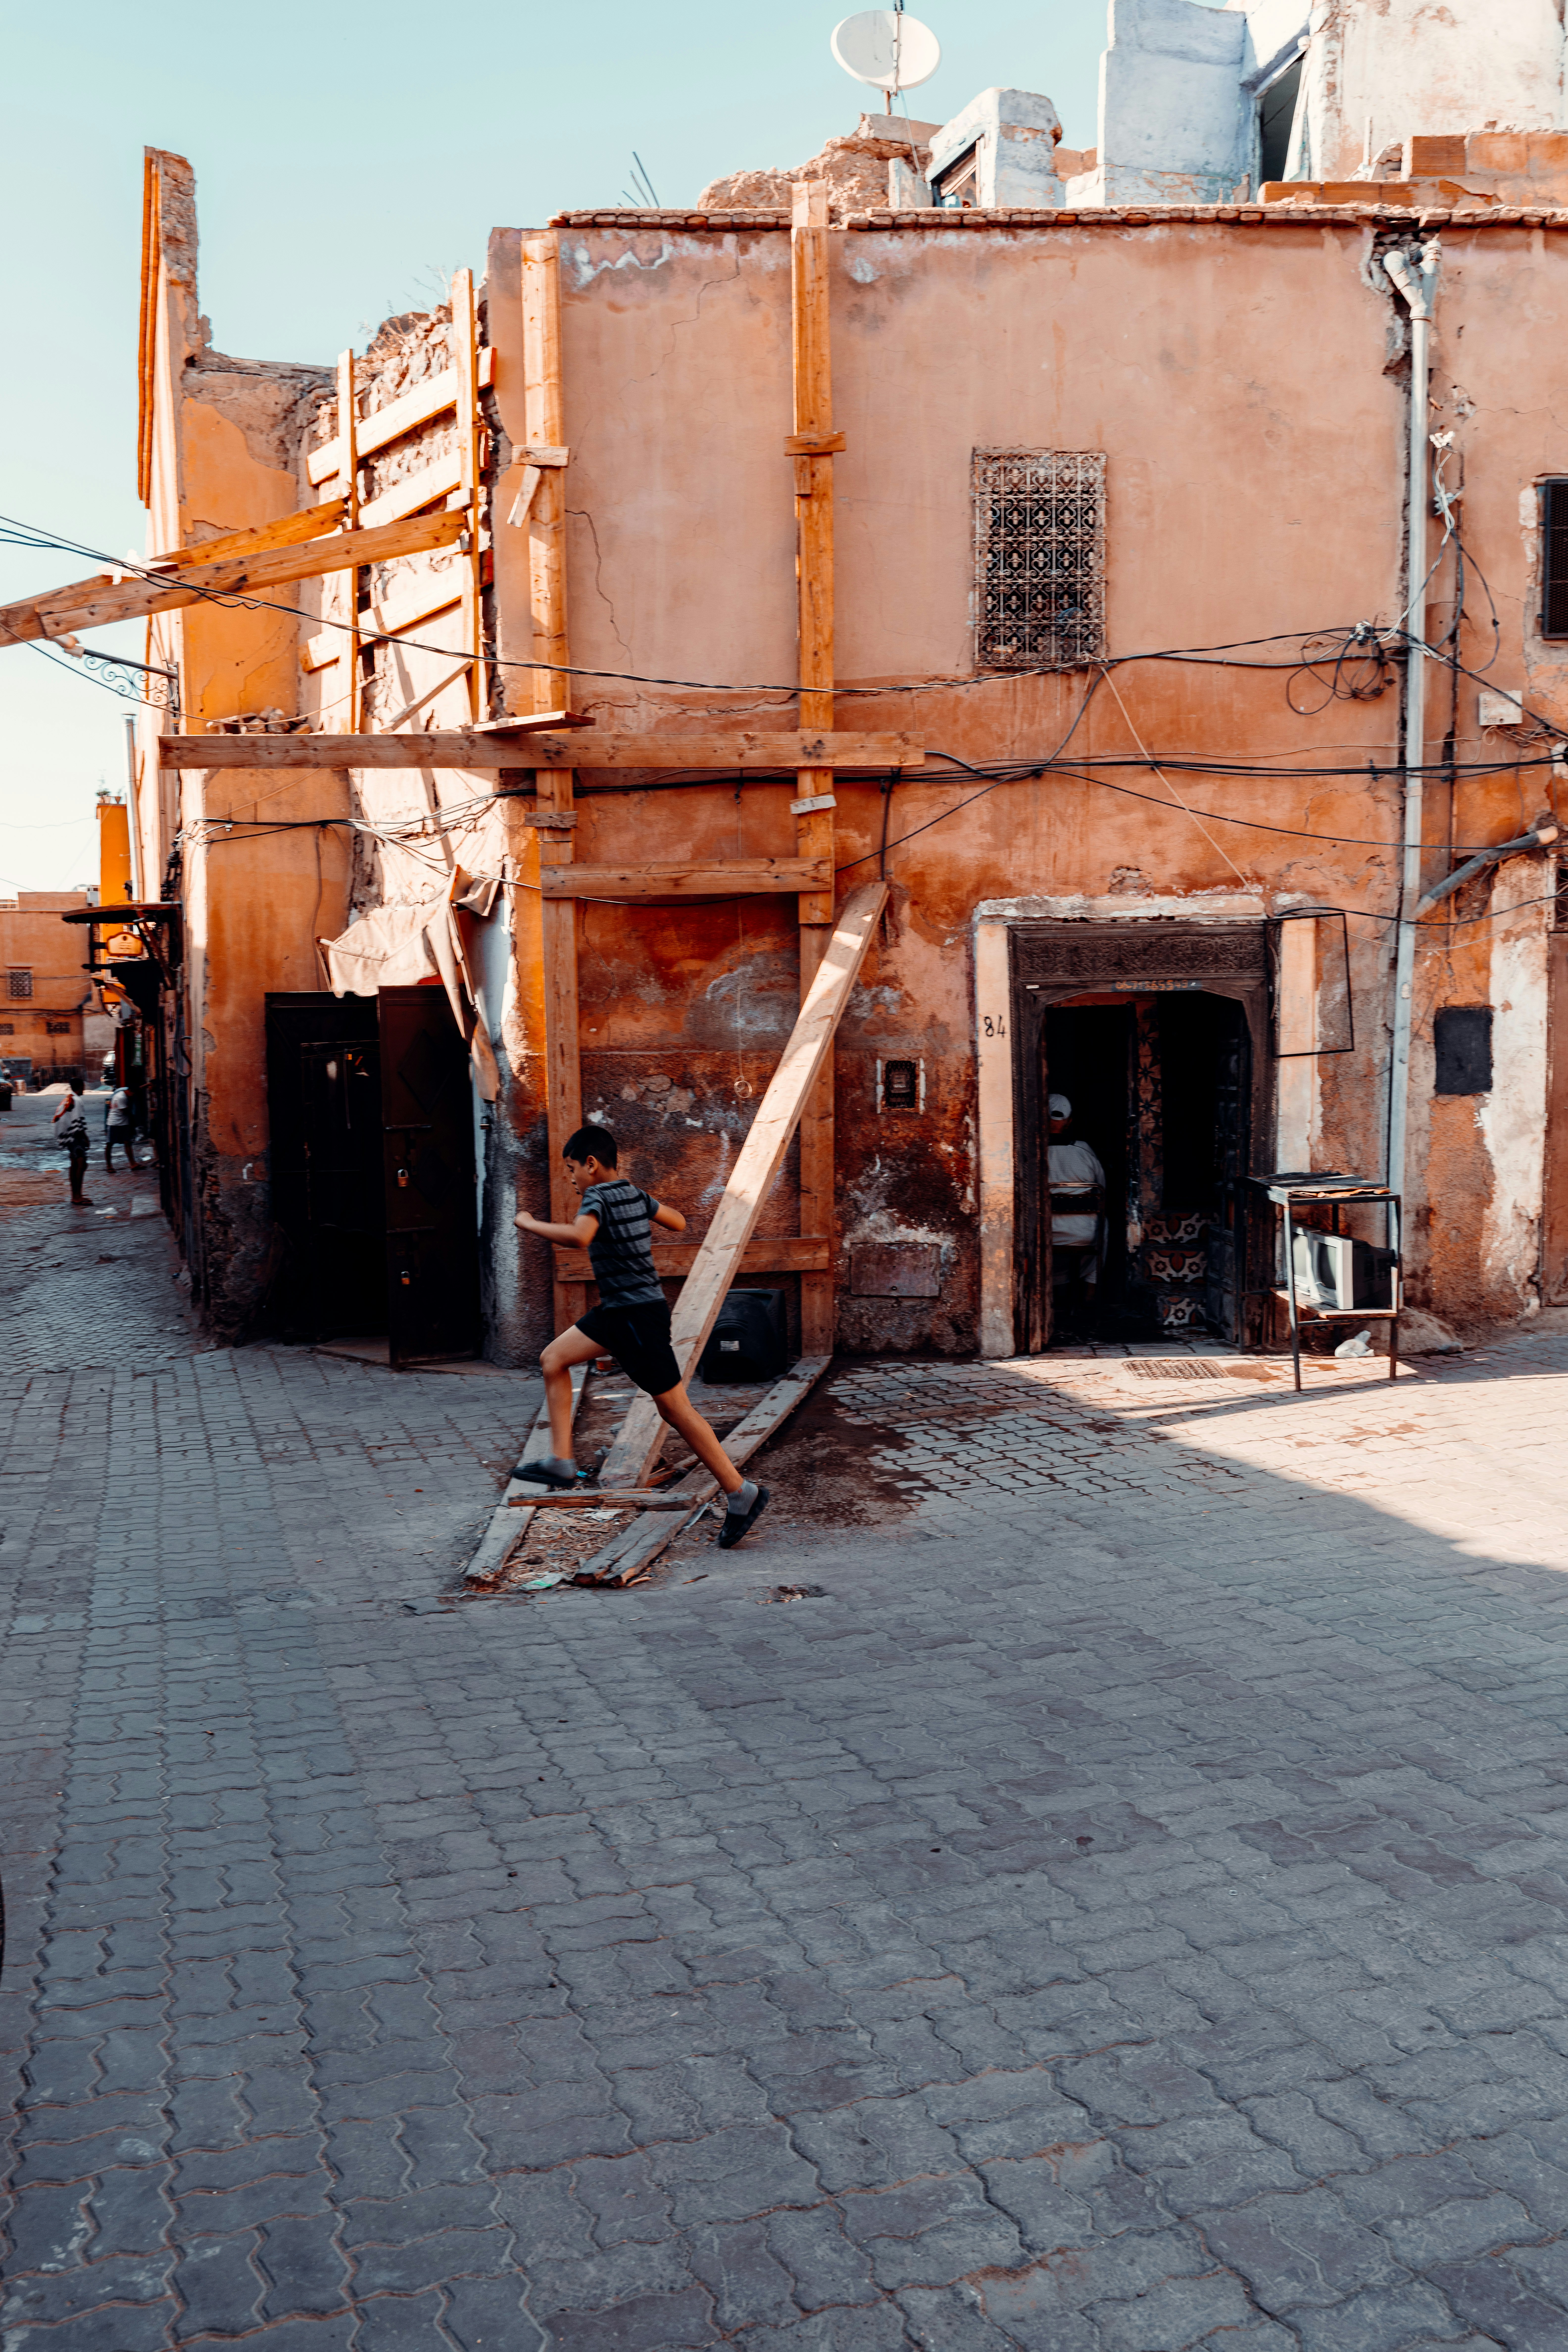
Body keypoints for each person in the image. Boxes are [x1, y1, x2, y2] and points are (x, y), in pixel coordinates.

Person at [513, 1124, 770, 1548]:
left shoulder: (596, 1196)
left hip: (635, 1317)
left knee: (675, 1409)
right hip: (619, 1311)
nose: (572, 1179)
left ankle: (741, 1491)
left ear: (591, 1164)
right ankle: (560, 1460)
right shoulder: (634, 1193)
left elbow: (580, 1236)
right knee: (553, 1359)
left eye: (572, 1169)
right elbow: (678, 1220)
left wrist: (530, 1222)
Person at [1048, 1092, 1105, 1322]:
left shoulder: (1031, 1151)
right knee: (1104, 1225)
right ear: (1069, 1122)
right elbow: (1102, 1189)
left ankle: (1049, 1293)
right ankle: (1090, 1293)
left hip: (1046, 1233)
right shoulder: (1084, 1150)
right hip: (1084, 1234)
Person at [51, 1086, 92, 1205]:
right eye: (83, 1087)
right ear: (80, 1088)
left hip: (67, 1134)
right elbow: (78, 1122)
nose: (84, 1089)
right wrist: (85, 1138)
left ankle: (76, 1196)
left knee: (75, 1165)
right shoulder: (77, 1101)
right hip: (75, 1135)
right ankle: (77, 1197)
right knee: (81, 1165)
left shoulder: (69, 1098)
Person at [105, 1083, 139, 1173]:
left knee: (128, 1143)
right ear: (130, 1092)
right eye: (133, 1094)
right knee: (110, 1144)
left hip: (124, 1123)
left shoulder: (124, 1091)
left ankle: (133, 1164)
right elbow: (125, 1111)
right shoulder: (122, 1097)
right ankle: (109, 1166)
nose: (133, 1096)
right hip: (115, 1123)